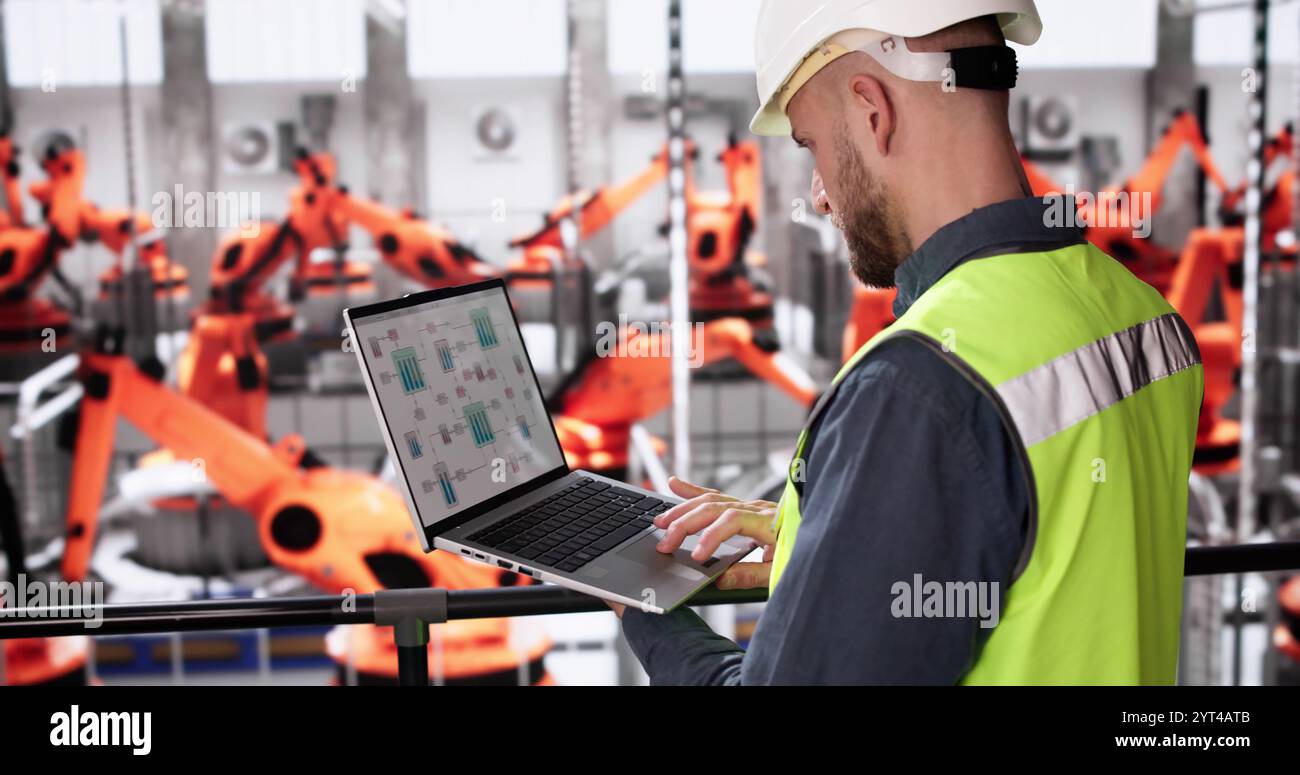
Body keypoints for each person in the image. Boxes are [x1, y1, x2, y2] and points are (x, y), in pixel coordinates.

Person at [609, 0, 1205, 685]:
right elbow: (1053, 543)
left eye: (812, 146)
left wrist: (642, 602)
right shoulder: (1145, 318)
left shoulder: (918, 386)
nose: (821, 196)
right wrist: (839, 524)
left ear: (871, 110)